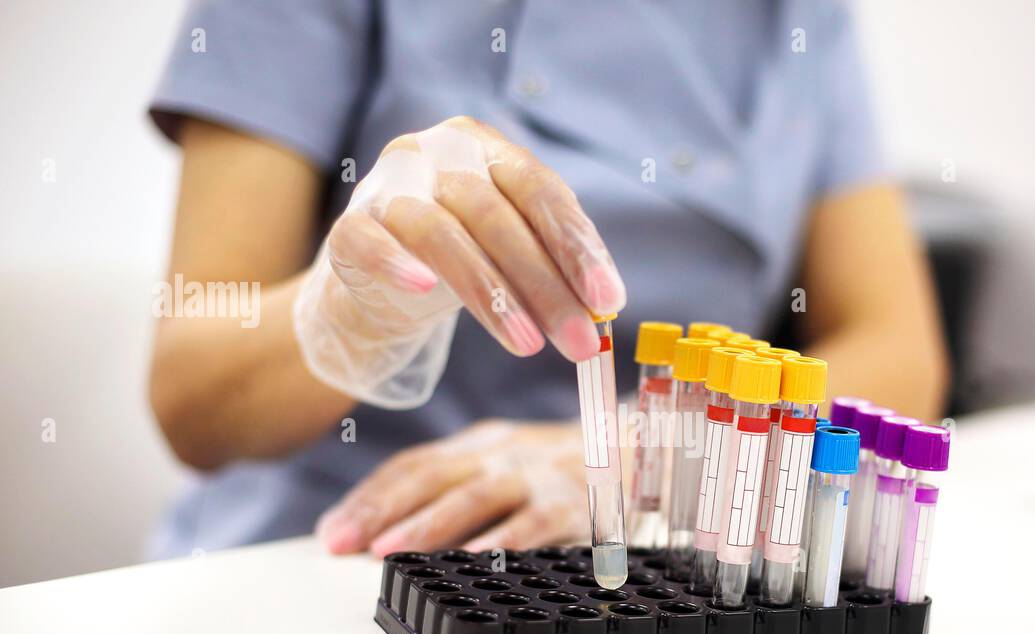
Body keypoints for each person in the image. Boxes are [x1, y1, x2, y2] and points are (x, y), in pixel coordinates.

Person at [146, 0, 949, 560]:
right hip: (331, 557)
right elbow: (191, 397)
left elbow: (900, 357)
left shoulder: (797, 19)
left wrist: (649, 456)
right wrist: (346, 320)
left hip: (647, 565)